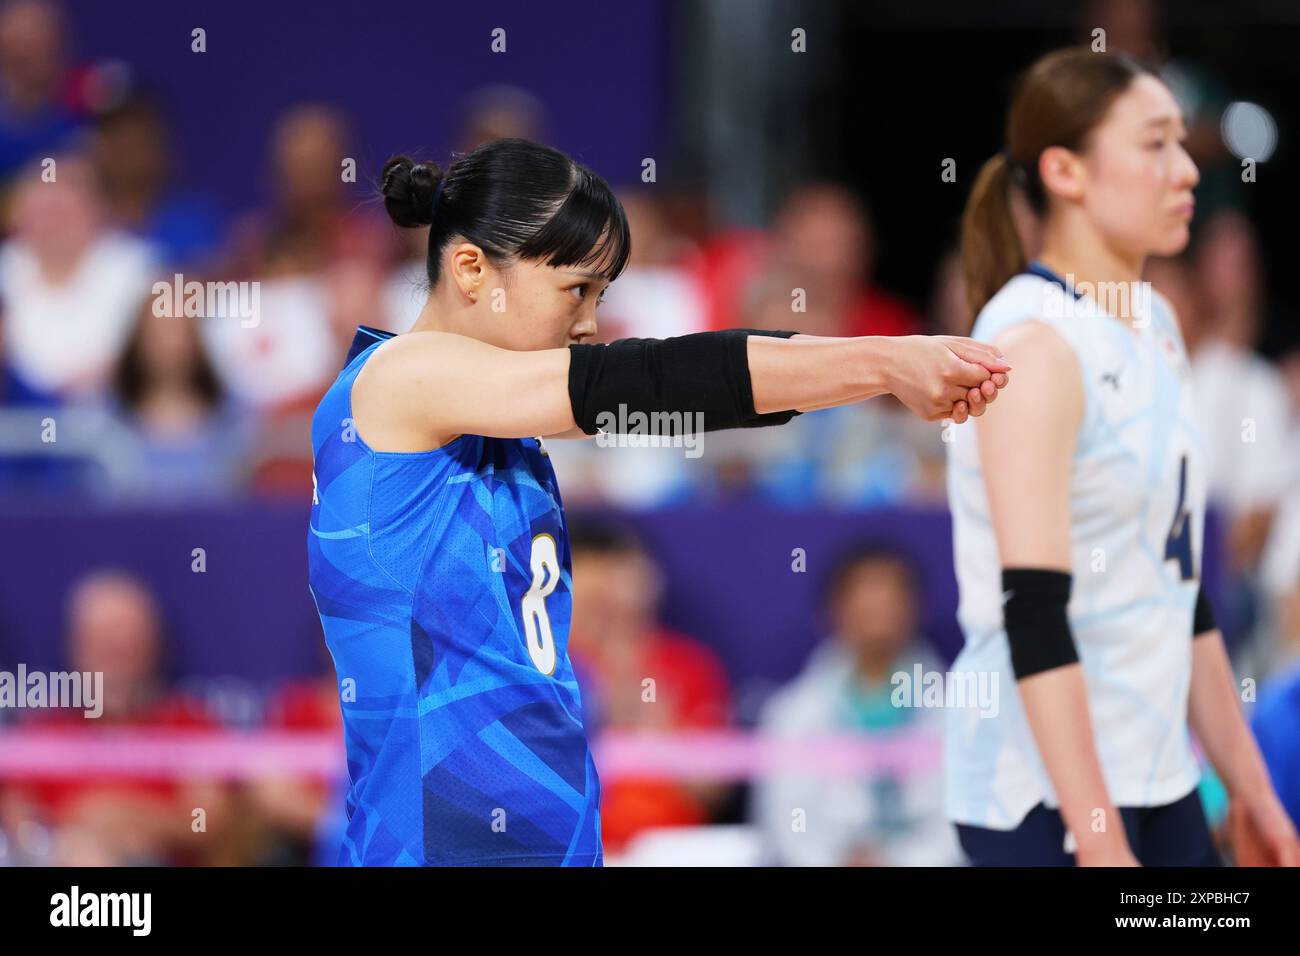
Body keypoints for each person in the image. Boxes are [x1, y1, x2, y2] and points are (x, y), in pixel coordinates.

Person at [306, 136, 1010, 866]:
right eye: (576, 290)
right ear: (472, 269)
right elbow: (649, 382)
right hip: (435, 840)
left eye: (601, 296)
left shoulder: (491, 420)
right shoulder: (399, 378)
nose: (588, 322)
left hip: (545, 833)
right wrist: (883, 361)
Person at [948, 46, 1298, 866]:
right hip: (1041, 795)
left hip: (1158, 773)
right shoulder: (1031, 342)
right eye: (1154, 144)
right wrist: (1102, 841)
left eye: (1183, 142)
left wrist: (1253, 793)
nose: (1184, 171)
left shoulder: (1156, 322)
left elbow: (1183, 595)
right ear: (1066, 171)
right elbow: (1033, 612)